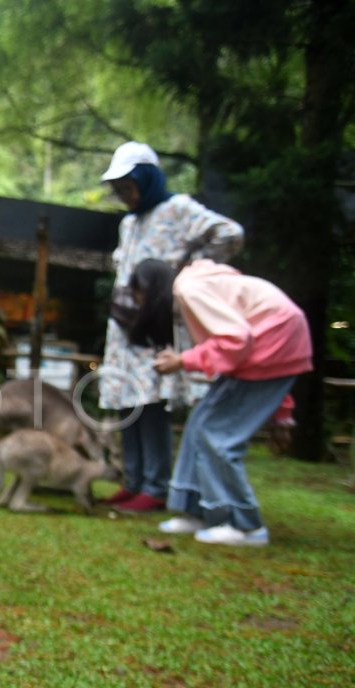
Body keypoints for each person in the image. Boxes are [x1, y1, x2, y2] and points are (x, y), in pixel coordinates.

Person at [97, 141, 245, 513]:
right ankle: (132, 481)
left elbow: (229, 234)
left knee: (150, 401)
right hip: (125, 324)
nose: (123, 195)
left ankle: (155, 485)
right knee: (125, 401)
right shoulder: (128, 223)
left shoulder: (177, 209)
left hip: (157, 324)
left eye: (127, 187)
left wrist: (185, 273)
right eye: (117, 189)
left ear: (146, 179)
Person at [144, 258, 312, 546]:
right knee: (200, 424)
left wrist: (183, 361)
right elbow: (256, 349)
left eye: (136, 293)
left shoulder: (188, 288)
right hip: (273, 346)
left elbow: (236, 339)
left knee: (217, 435)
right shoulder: (198, 282)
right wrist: (282, 413)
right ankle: (195, 509)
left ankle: (245, 526)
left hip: (271, 345)